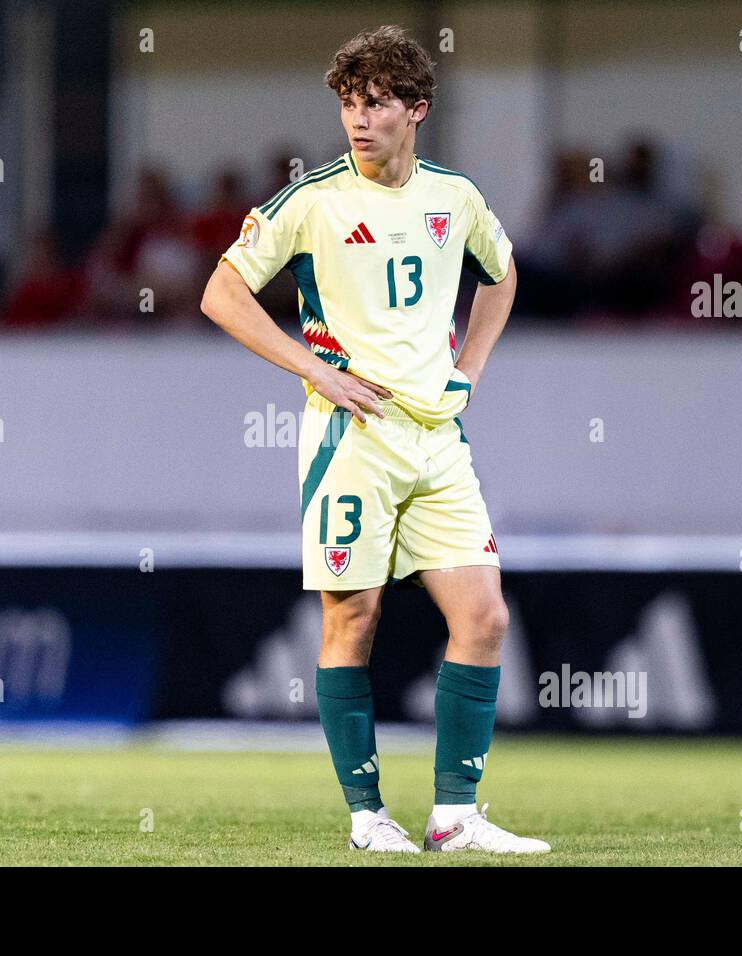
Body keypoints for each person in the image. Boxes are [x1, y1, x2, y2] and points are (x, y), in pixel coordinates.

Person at [200, 25, 549, 855]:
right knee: (352, 618)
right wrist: (311, 370)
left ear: (416, 110)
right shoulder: (312, 200)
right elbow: (222, 291)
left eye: (378, 103)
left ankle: (455, 816)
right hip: (349, 438)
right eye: (350, 103)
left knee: (485, 617)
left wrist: (470, 366)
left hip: (437, 438)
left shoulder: (453, 197)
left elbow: (500, 274)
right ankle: (367, 817)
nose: (360, 120)